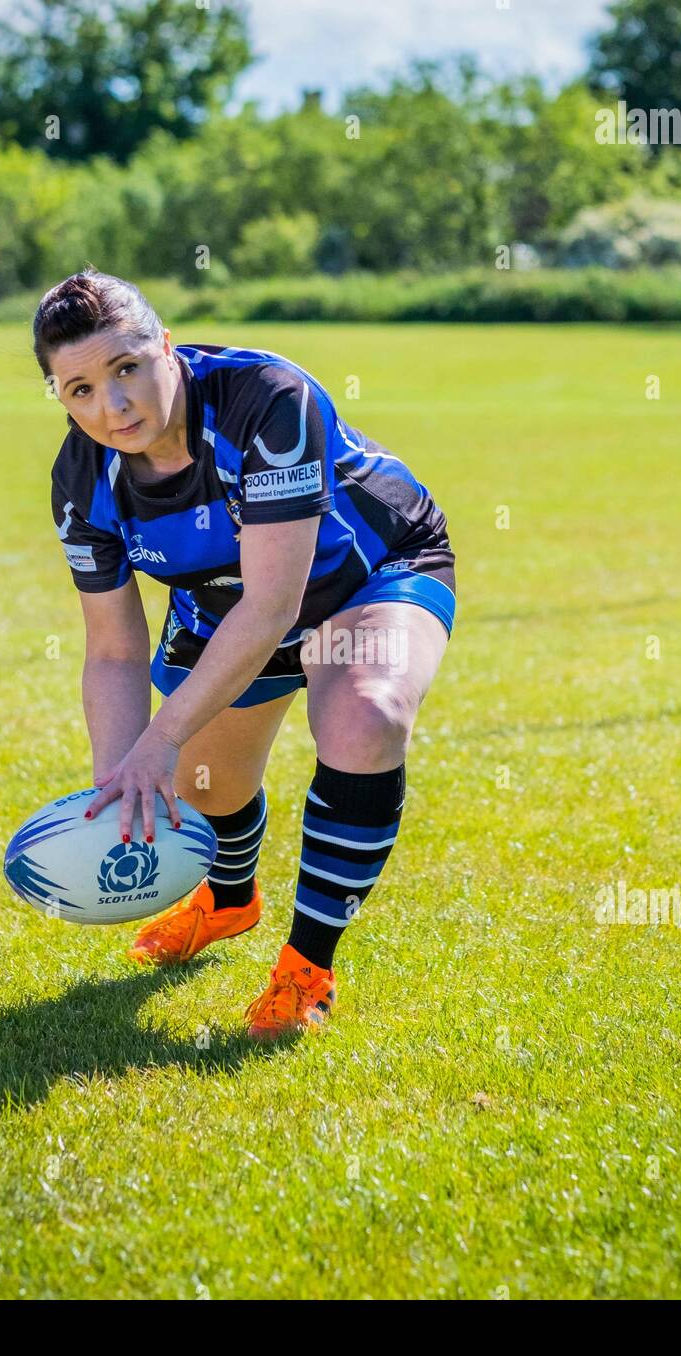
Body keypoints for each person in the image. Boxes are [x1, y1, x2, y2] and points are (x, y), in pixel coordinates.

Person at [34, 269, 455, 1041]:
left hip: (365, 574)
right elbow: (115, 652)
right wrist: (116, 778)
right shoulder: (80, 482)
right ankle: (228, 901)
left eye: (127, 368)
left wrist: (157, 739)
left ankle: (307, 966)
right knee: (205, 788)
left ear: (165, 346)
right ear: (58, 397)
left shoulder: (266, 398)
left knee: (365, 719)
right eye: (80, 389)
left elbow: (275, 606)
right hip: (218, 608)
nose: (113, 405)